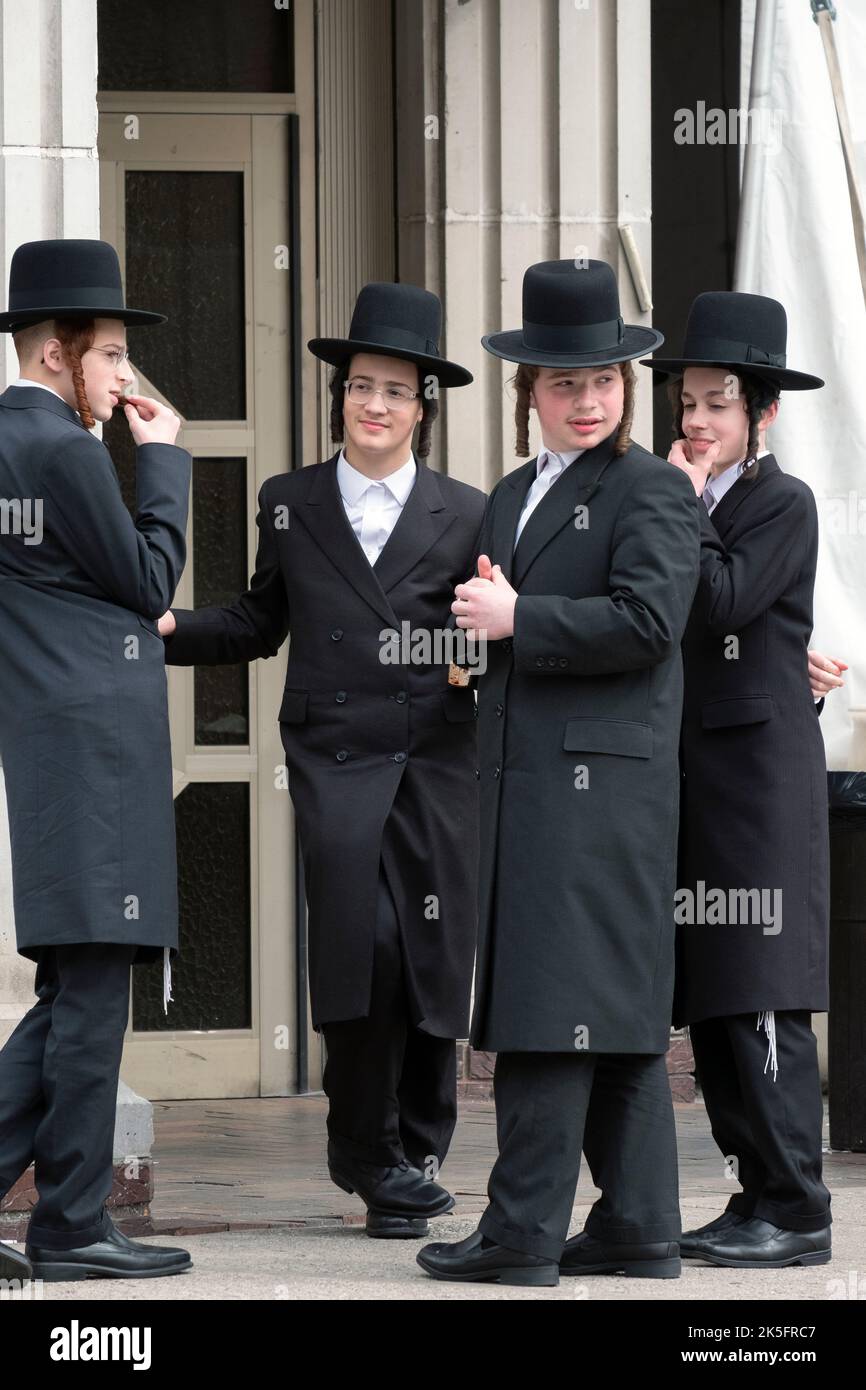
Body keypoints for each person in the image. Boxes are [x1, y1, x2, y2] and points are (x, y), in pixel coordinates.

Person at [160, 282, 486, 1238]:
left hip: (436, 762)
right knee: (365, 952)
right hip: (338, 760)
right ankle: (363, 1146)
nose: (373, 404)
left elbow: (485, 632)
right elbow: (260, 622)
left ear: (424, 405)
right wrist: (168, 625)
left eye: (395, 390)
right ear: (339, 397)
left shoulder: (469, 513)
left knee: (431, 956)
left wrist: (474, 662)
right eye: (359, 386)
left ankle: (415, 1155)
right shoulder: (289, 501)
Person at [417, 258, 700, 1286]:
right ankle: (636, 1225)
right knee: (612, 1019)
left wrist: (515, 618)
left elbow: (648, 622)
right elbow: (507, 624)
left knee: (546, 1005)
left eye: (604, 381)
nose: (586, 400)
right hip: (525, 785)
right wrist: (480, 630)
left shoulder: (653, 488)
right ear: (525, 390)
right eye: (563, 383)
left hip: (600, 796)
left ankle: (520, 1234)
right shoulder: (510, 496)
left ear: (626, 386)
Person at [0, 239, 192, 1281]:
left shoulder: (5, 439)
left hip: (50, 747)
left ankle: (66, 1216)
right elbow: (148, 577)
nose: (125, 378)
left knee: (74, 991)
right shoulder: (63, 451)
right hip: (96, 753)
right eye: (111, 352)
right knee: (92, 994)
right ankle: (72, 1224)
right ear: (53, 353)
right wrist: (165, 459)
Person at [643, 291, 833, 1267]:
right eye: (685, 400)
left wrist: (679, 503)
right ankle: (750, 1187)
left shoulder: (778, 502)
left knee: (760, 995)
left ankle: (796, 1208)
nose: (693, 420)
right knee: (714, 999)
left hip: (756, 787)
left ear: (758, 411)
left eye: (715, 403)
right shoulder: (692, 496)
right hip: (694, 784)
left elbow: (719, 596)